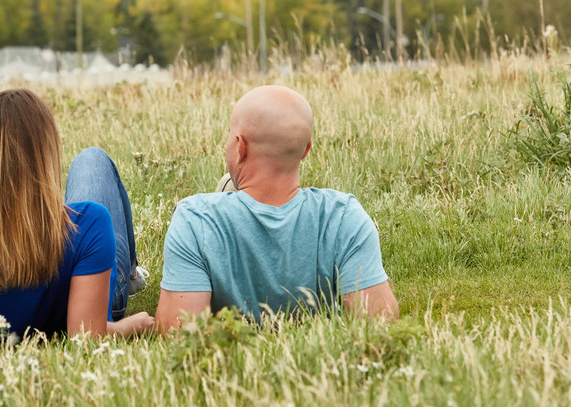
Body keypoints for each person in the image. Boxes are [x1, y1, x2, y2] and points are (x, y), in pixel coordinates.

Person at [156, 85, 398, 333]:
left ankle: (231, 199)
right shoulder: (344, 215)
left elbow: (178, 332)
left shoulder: (194, 219)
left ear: (240, 147)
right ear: (306, 149)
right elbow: (379, 323)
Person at [0, 88, 153, 353]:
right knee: (92, 159)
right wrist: (137, 324)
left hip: (64, 247)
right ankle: (130, 275)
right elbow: (88, 337)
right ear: (46, 154)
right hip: (95, 288)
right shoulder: (91, 222)